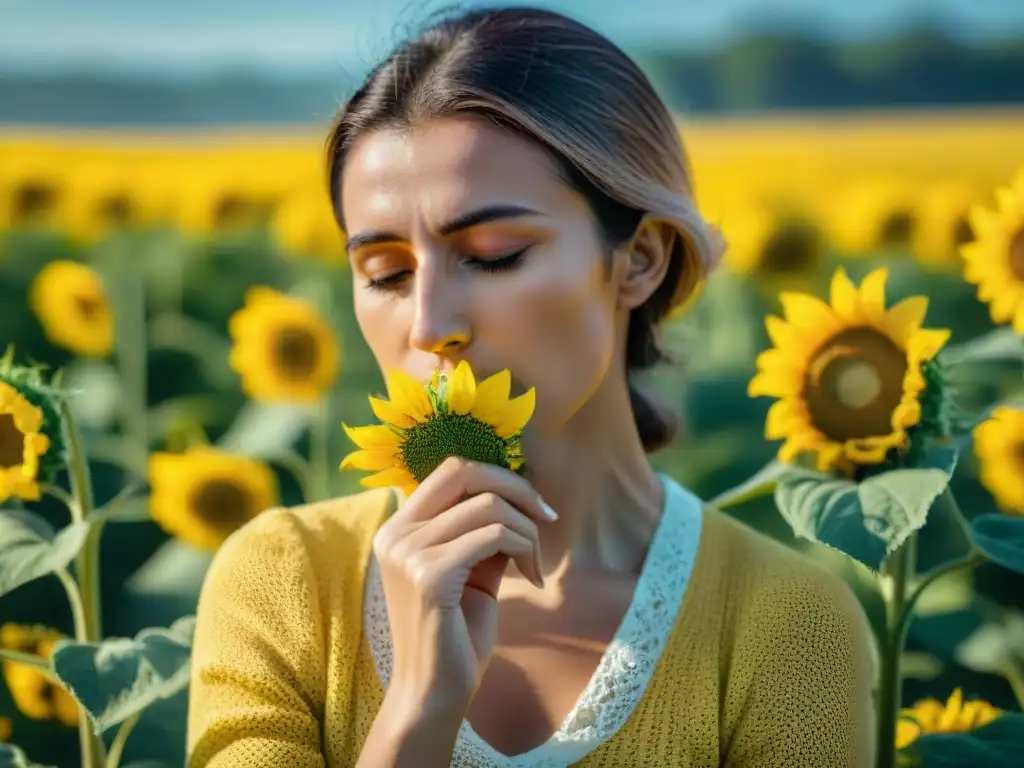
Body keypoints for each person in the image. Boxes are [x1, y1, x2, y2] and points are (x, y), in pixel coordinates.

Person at [185, 6, 877, 766]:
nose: (428, 325)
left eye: (494, 254)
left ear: (640, 259)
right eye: (386, 273)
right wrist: (417, 704)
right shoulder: (283, 583)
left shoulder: (784, 622)